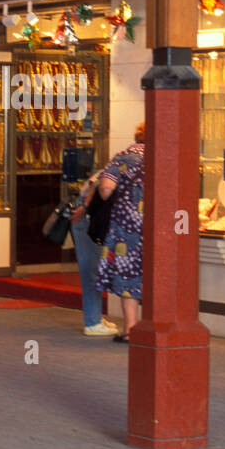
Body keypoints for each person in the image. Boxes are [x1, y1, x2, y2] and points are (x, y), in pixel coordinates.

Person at [80, 122, 145, 342]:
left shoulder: (125, 156)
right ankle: (155, 326)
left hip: (127, 226)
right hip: (157, 226)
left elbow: (106, 188)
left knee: (129, 274)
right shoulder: (165, 157)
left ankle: (130, 328)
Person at [69, 171, 118, 337]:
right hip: (87, 216)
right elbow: (96, 183)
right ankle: (92, 322)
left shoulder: (119, 162)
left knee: (93, 269)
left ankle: (95, 316)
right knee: (90, 269)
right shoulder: (120, 165)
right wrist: (85, 207)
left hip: (87, 215)